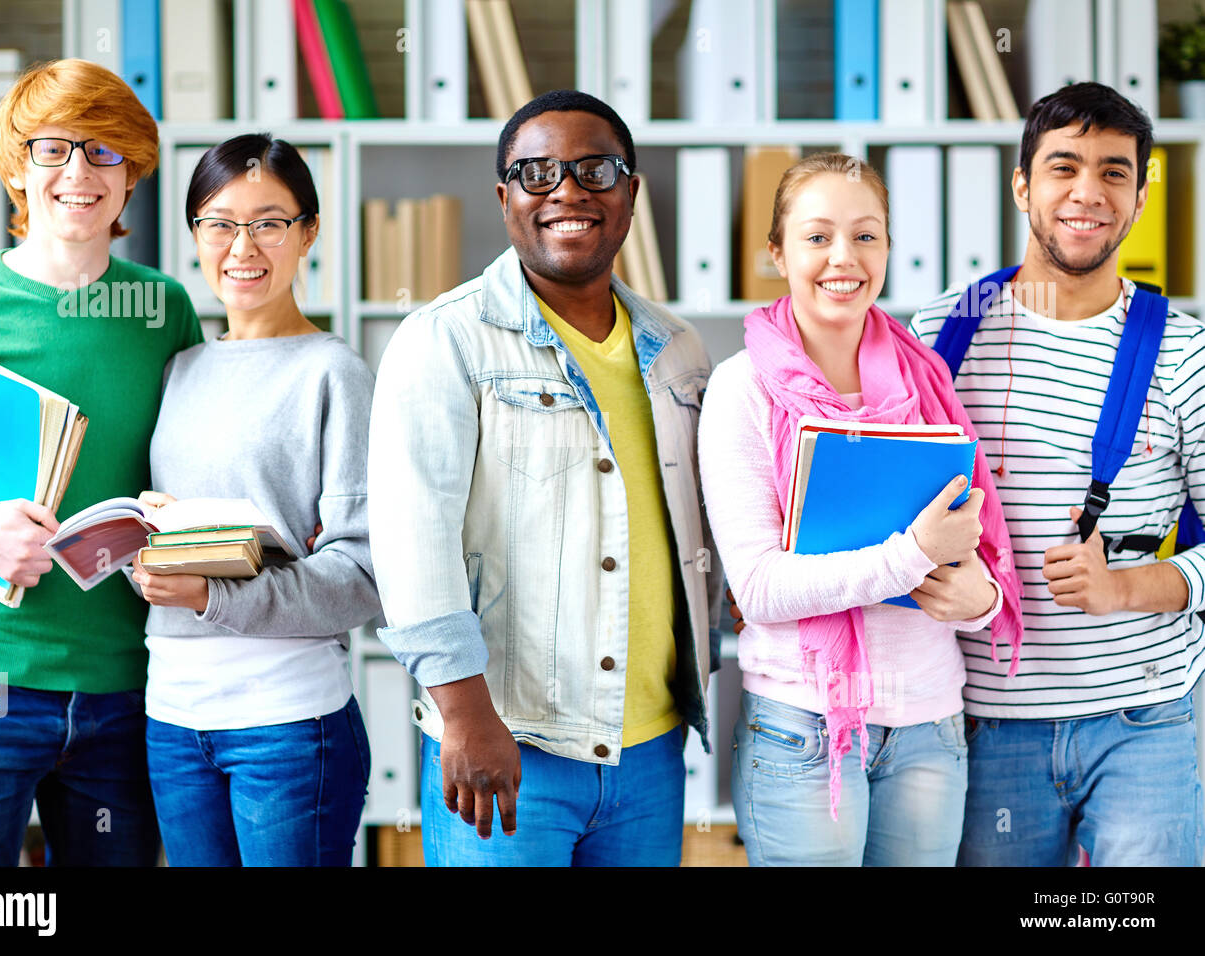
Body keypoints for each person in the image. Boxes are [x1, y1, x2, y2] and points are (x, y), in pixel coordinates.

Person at [366, 89, 723, 866]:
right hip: (507, 740)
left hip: (651, 750)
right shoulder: (443, 341)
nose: (566, 190)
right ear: (505, 199)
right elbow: (410, 542)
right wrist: (464, 716)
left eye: (594, 169)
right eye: (536, 172)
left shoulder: (681, 351)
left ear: (630, 192)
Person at [0, 59, 202, 866]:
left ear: (132, 175)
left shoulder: (162, 307)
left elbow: (191, 470)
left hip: (127, 688)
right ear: (14, 165)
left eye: (105, 151)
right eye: (53, 149)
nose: (79, 172)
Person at [698, 152, 1023, 866]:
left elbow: (971, 558)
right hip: (802, 725)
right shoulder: (740, 389)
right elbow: (758, 588)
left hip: (931, 722)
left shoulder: (929, 377)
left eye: (865, 235)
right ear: (777, 252)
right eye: (817, 237)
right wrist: (910, 555)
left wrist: (980, 597)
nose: (843, 257)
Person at [910, 82, 1205, 866]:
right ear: (1022, 185)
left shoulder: (1182, 351)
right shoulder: (944, 330)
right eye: (1063, 166)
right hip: (979, 720)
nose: (1087, 192)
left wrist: (1124, 589)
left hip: (1145, 719)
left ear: (1141, 198)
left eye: (1114, 172)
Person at [129, 133, 380, 867]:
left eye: (269, 222)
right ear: (195, 237)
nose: (243, 246)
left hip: (286, 725)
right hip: (172, 720)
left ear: (308, 232)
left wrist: (212, 594)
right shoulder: (179, 370)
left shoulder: (335, 373)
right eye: (218, 223)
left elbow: (362, 579)